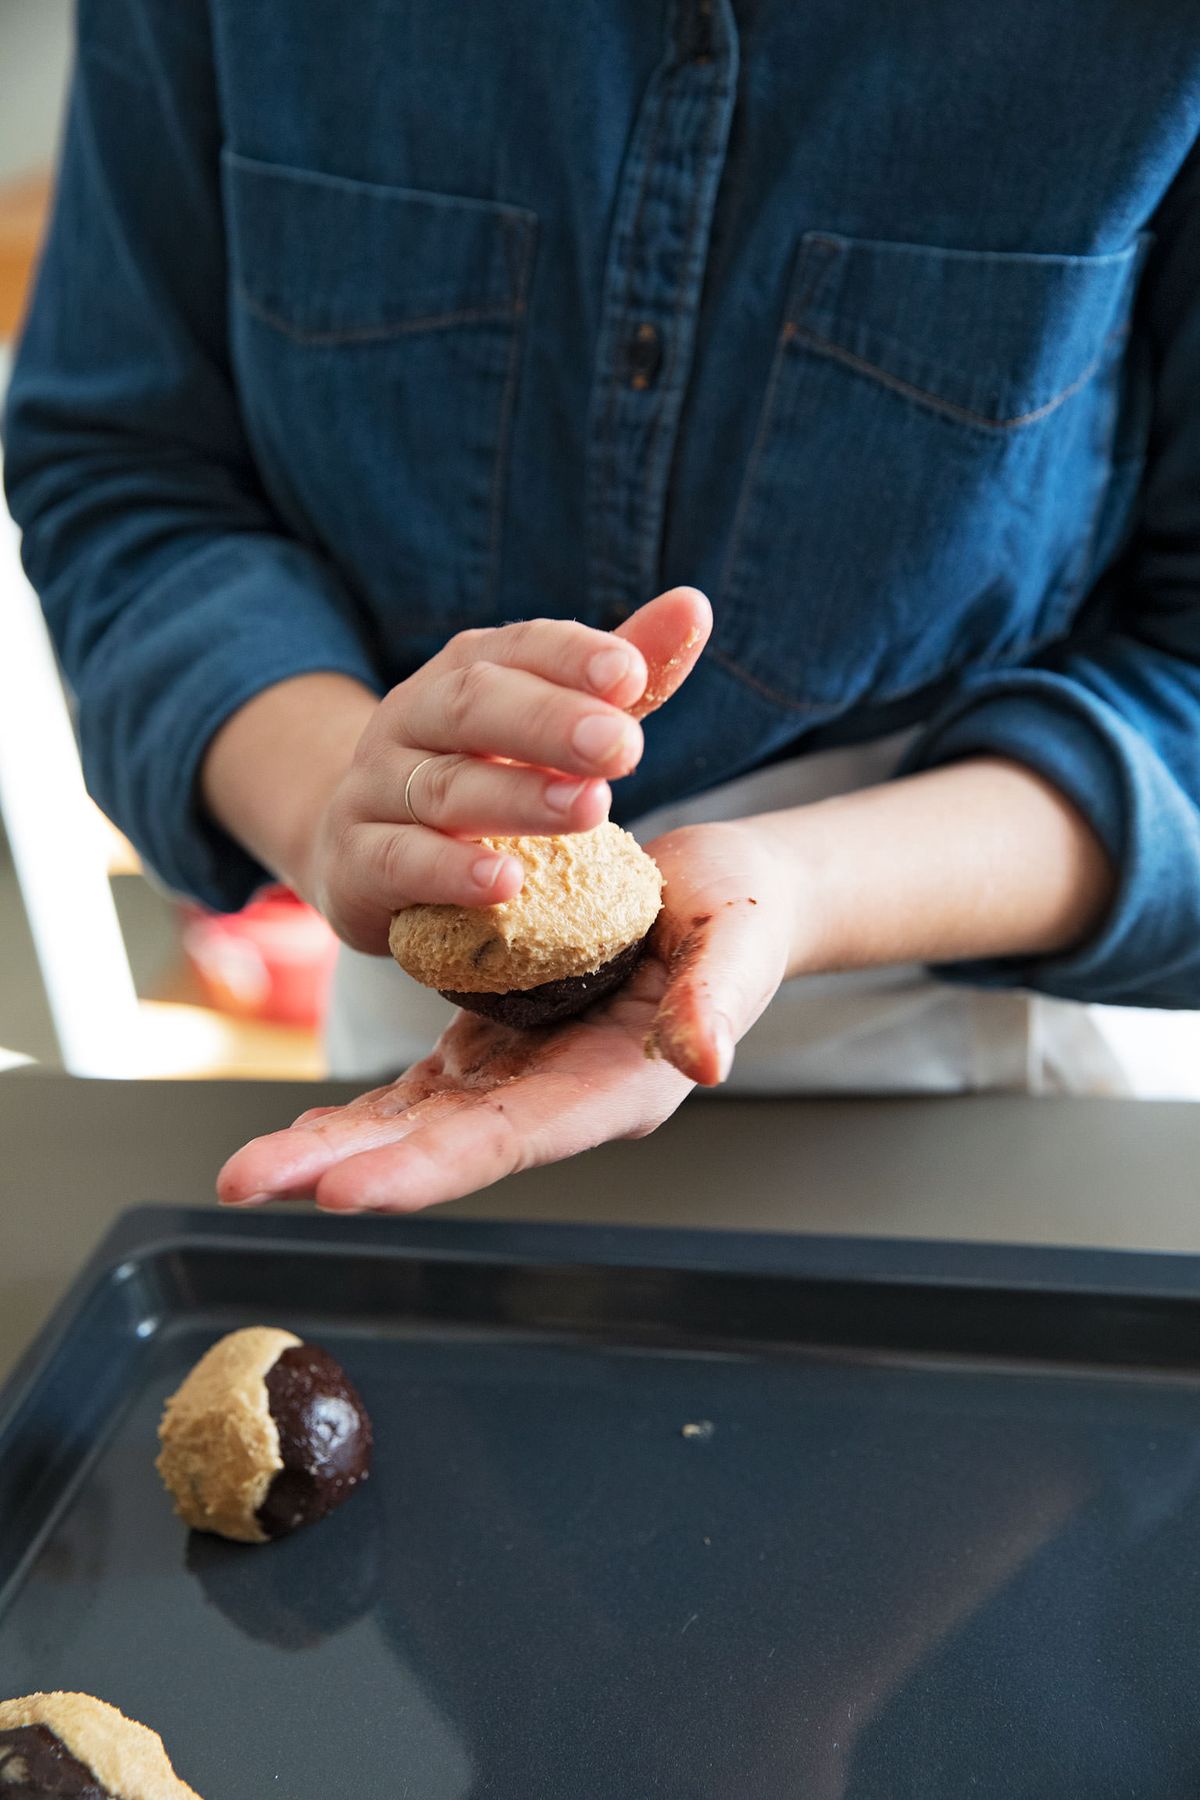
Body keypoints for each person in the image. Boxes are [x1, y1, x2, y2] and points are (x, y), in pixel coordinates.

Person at [6, 1, 1200, 1214]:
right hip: (432, 1029)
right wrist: (342, 808)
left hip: (974, 1048)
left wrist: (797, 884)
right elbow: (126, 469)